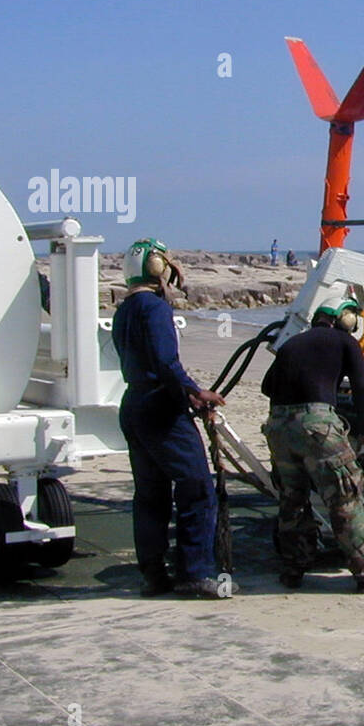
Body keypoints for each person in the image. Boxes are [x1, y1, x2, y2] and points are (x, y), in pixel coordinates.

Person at [111, 239, 230, 597]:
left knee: (151, 494)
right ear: (156, 267)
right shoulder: (154, 308)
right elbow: (165, 362)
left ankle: (154, 573)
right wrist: (195, 392)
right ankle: (195, 573)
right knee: (196, 488)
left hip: (134, 405)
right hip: (161, 408)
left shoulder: (124, 310)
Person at [260, 297, 364, 593]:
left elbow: (266, 387)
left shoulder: (291, 344)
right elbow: (363, 388)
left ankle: (293, 569)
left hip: (278, 426)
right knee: (345, 498)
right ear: (347, 319)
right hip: (318, 424)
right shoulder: (344, 341)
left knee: (292, 499)